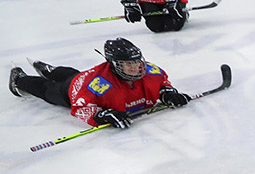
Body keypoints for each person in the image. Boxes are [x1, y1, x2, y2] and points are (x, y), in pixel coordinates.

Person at [8, 38, 188, 128]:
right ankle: (19, 80)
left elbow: (162, 82)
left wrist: (167, 92)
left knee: (73, 74)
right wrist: (100, 116)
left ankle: (50, 69)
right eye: (128, 64)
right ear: (114, 64)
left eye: (137, 62)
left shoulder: (150, 70)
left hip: (83, 77)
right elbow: (81, 107)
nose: (135, 68)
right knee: (48, 89)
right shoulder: (96, 83)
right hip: (73, 90)